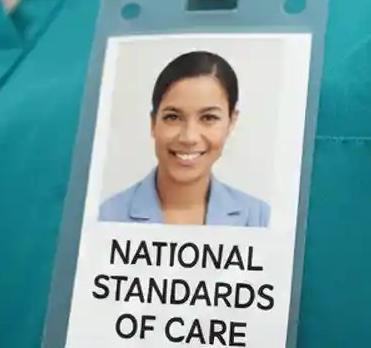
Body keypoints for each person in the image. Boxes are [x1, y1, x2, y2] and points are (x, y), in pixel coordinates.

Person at [98, 51, 269, 227]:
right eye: (173, 117)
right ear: (153, 123)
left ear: (231, 122)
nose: (189, 137)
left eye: (208, 118)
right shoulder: (106, 216)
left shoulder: (259, 218)